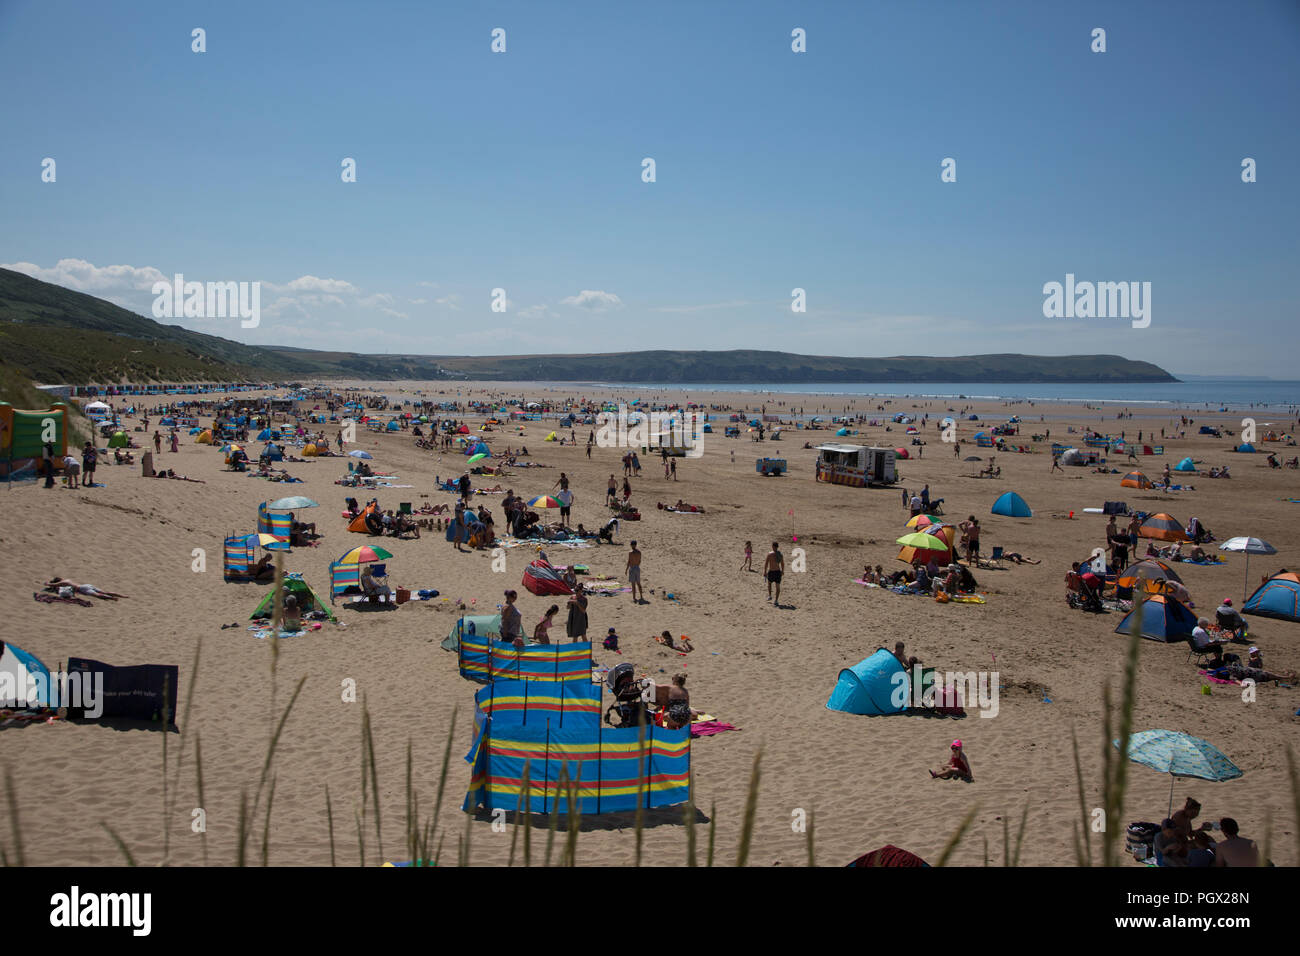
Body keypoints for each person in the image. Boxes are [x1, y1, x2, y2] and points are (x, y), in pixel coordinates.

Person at [44, 577, 127, 600]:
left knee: (98, 595)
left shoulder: (63, 583)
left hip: (82, 589)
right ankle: (123, 596)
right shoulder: (68, 580)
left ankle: (113, 598)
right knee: (105, 592)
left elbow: (53, 585)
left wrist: (47, 583)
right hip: (86, 585)